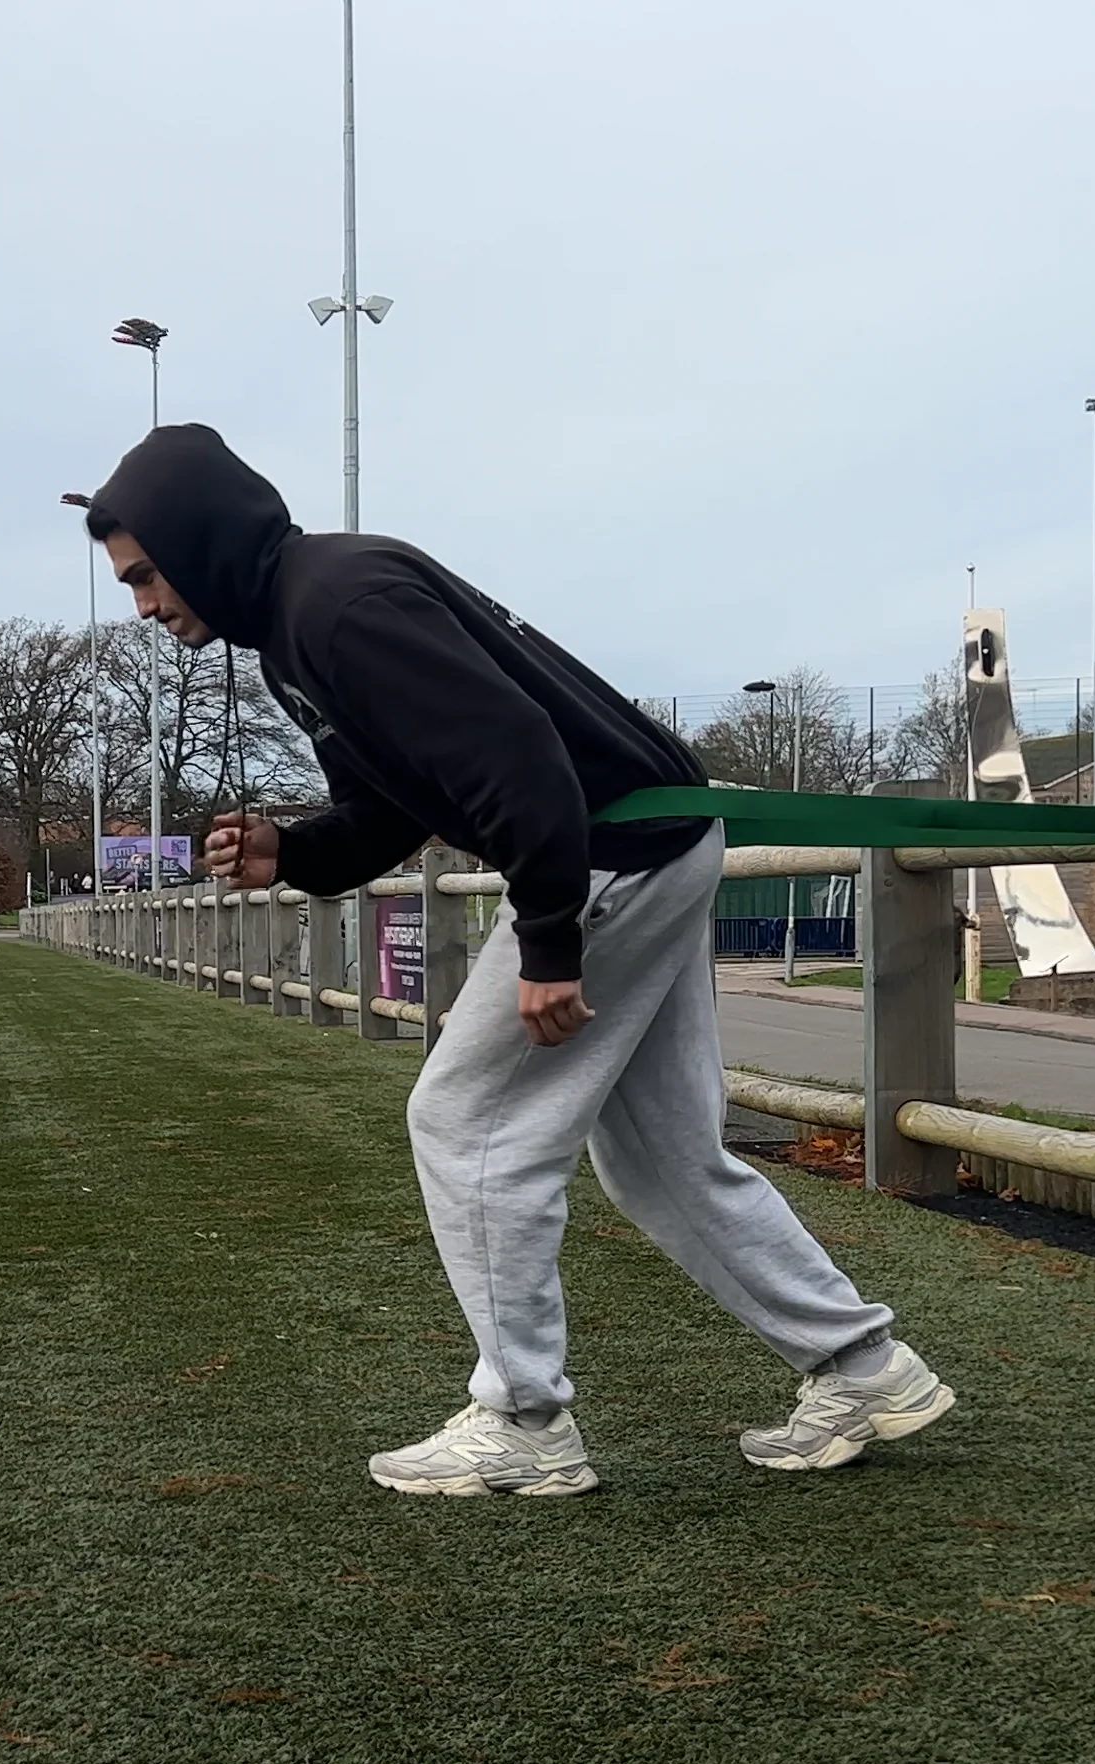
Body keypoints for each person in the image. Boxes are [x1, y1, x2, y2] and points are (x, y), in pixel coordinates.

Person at [79, 425, 952, 1494]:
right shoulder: (299, 626)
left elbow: (520, 761)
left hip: (608, 859)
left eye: (147, 576)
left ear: (197, 540)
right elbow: (394, 801)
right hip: (640, 850)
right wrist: (291, 851)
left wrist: (549, 940)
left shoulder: (337, 607)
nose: (145, 605)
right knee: (663, 1156)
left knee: (464, 1121)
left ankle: (526, 1424)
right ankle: (863, 1367)